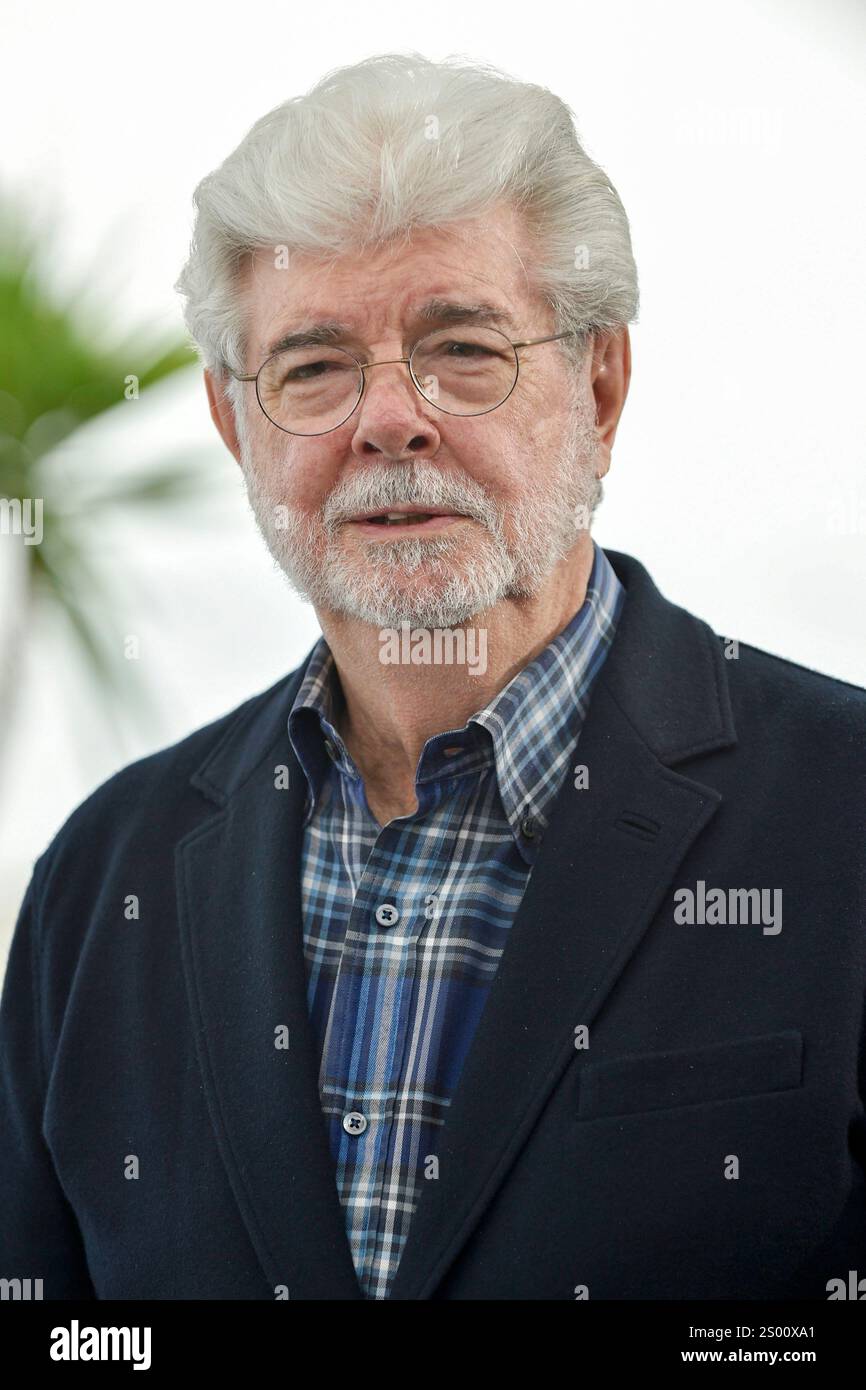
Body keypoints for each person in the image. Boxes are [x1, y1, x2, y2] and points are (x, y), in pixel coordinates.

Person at [1, 52, 864, 1302]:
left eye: (460, 348)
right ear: (235, 426)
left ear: (600, 385)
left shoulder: (843, 808)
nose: (388, 418)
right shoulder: (100, 879)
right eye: (311, 367)